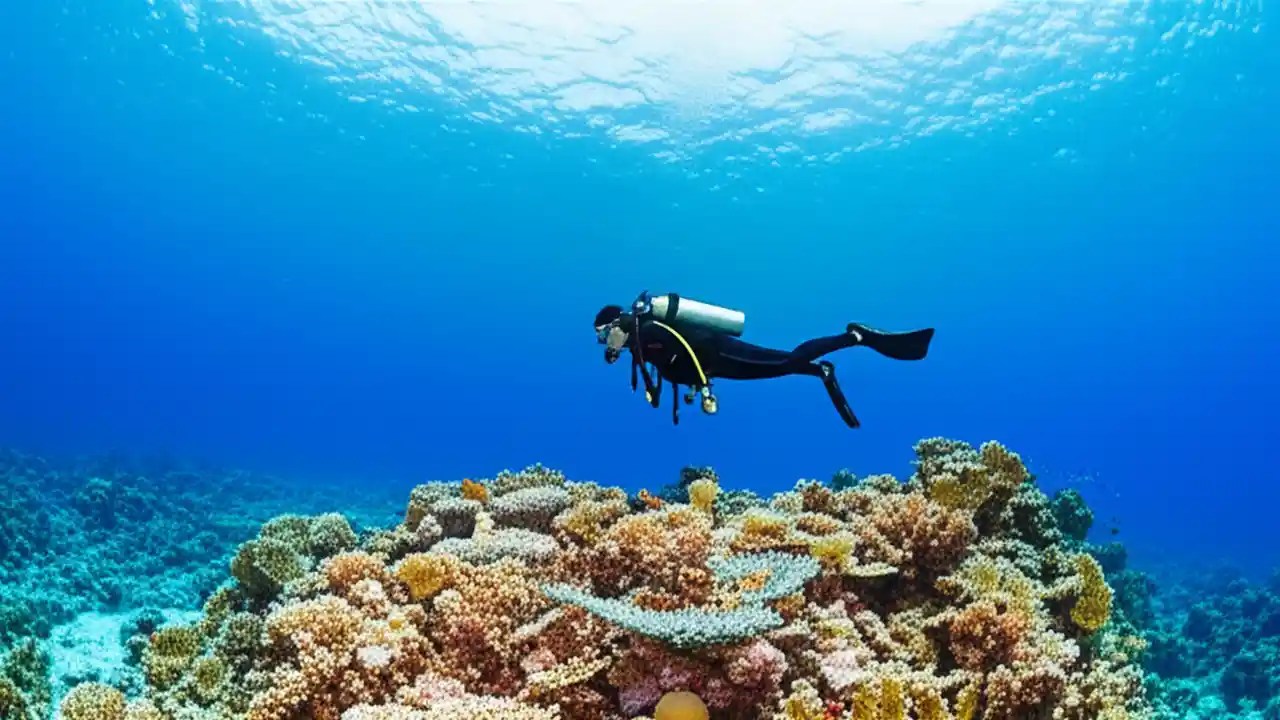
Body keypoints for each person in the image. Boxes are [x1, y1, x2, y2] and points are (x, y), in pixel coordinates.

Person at [594, 292, 934, 428]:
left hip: (719, 353)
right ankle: (819, 370)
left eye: (603, 335)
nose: (605, 344)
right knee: (781, 367)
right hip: (718, 367)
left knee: (785, 362)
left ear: (615, 324)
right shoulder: (639, 342)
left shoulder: (647, 329)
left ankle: (855, 336)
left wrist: (704, 389)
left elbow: (679, 345)